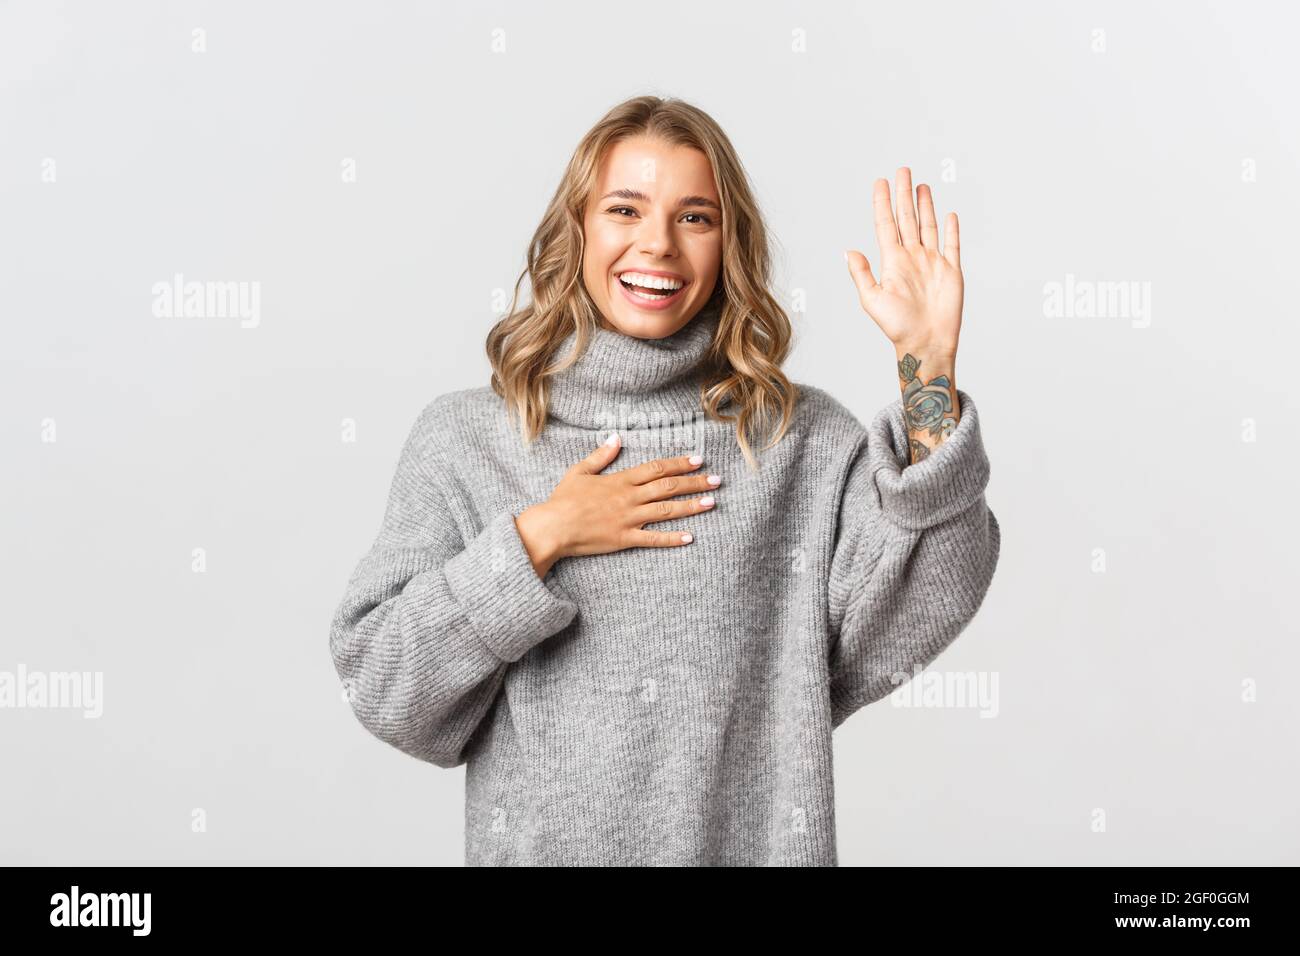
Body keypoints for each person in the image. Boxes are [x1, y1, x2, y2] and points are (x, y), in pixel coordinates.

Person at [328, 95, 1000, 866]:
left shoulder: (797, 441)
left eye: (695, 218)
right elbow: (385, 689)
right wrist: (540, 537)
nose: (657, 246)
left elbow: (920, 602)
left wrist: (930, 370)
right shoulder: (467, 440)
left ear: (729, 244)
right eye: (624, 209)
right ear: (575, 229)